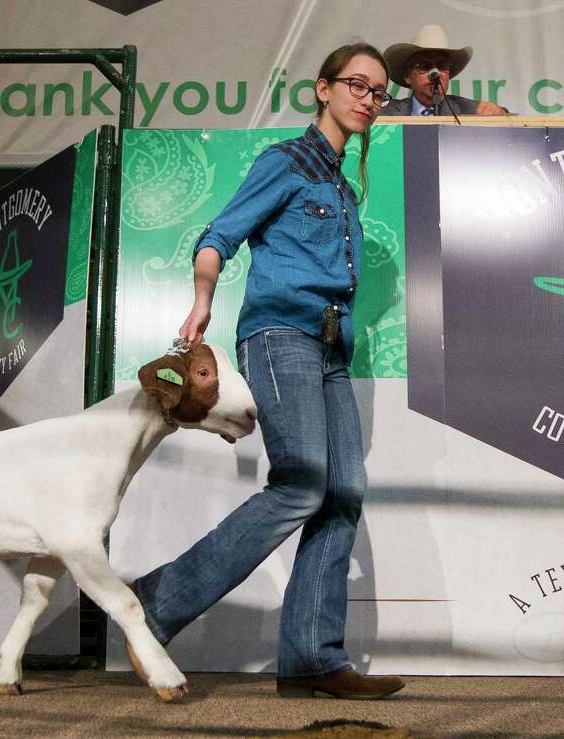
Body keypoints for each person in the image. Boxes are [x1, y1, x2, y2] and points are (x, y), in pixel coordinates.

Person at [130, 43, 406, 700]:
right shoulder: (285, 162)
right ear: (322, 88)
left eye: (378, 91)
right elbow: (216, 236)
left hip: (331, 349)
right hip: (280, 336)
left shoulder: (341, 184)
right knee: (303, 484)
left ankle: (313, 655)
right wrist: (202, 300)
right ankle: (154, 602)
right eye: (357, 85)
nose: (369, 98)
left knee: (343, 492)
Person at [379, 24, 507, 117]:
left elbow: (508, 119)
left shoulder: (467, 109)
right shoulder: (386, 113)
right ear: (408, 76)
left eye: (441, 66)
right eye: (425, 66)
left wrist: (499, 112)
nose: (435, 73)